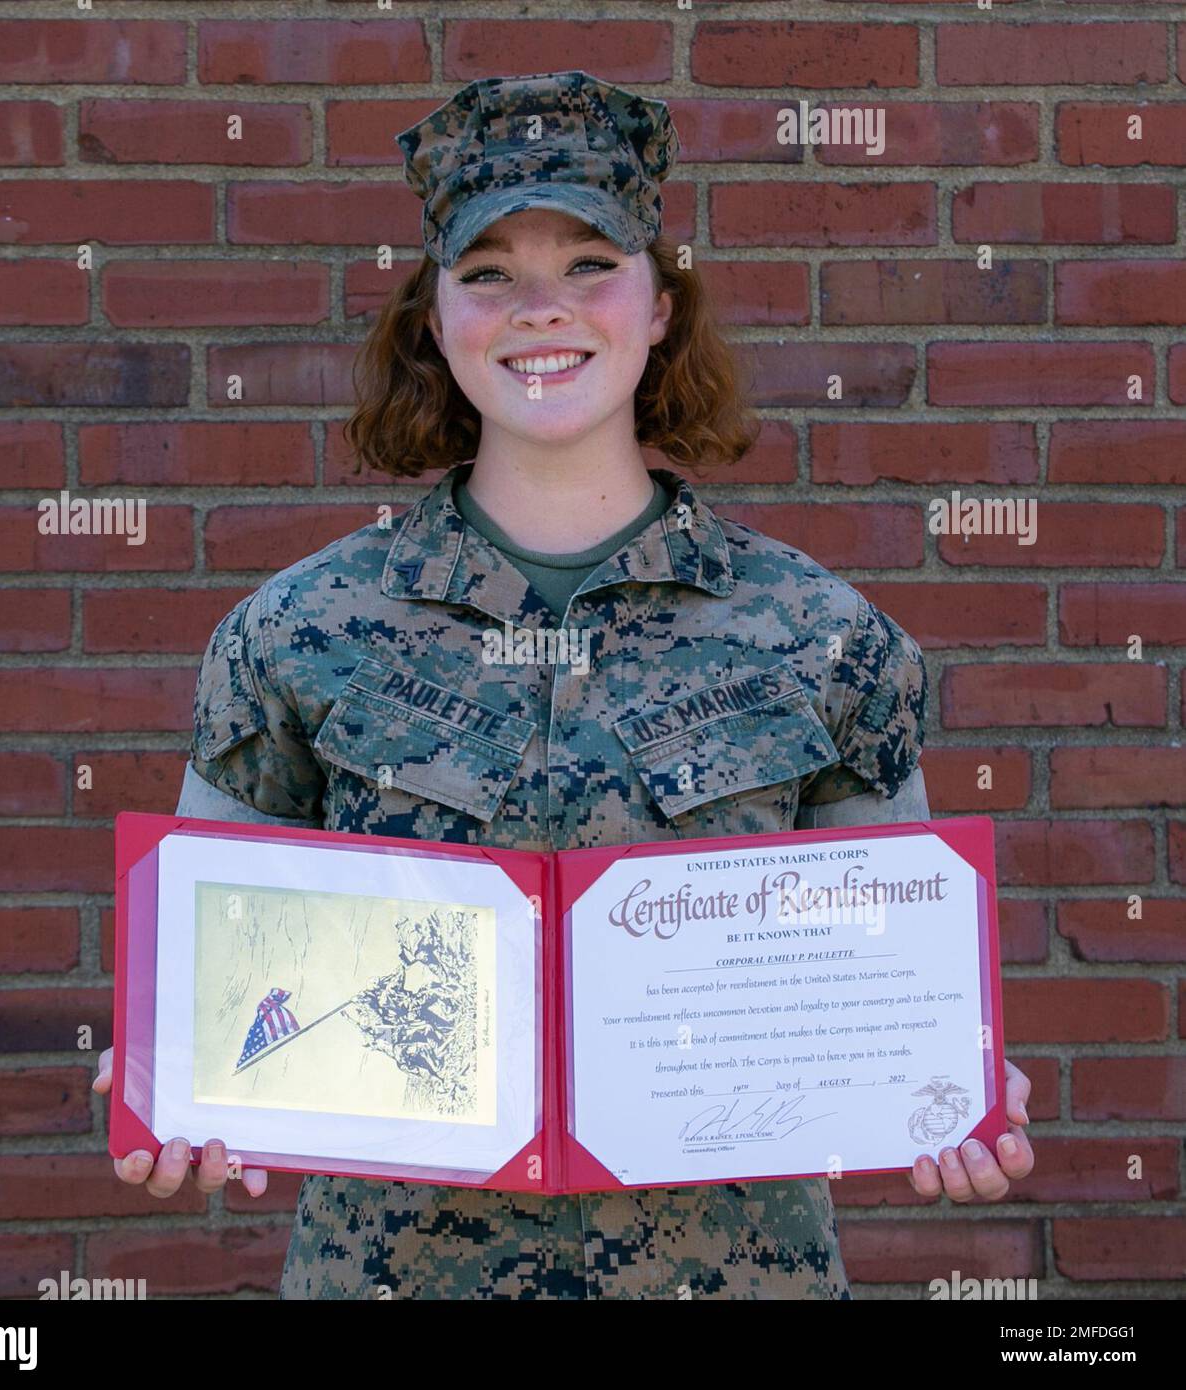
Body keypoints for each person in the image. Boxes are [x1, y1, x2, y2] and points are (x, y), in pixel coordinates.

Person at [93, 70, 1034, 1299]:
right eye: (488, 272)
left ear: (657, 309)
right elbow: (210, 987)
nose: (542, 309)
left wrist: (951, 1075)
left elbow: (893, 979)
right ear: (436, 317)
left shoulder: (818, 637)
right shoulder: (296, 630)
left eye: (590, 261)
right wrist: (171, 1090)